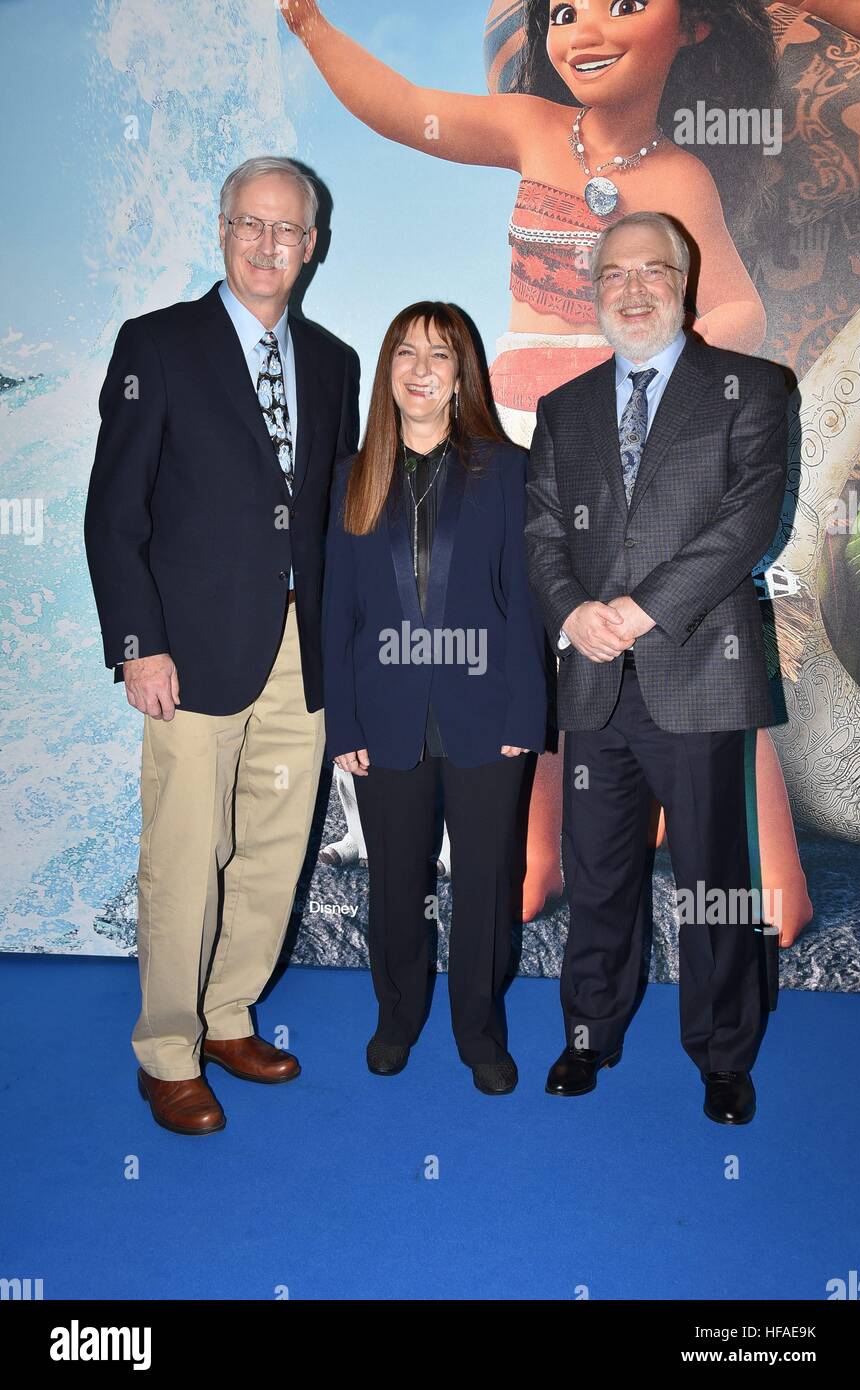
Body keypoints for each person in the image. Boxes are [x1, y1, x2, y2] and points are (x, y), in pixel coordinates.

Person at [276, 0, 812, 941]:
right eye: (563, 11)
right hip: (512, 432)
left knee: (680, 639)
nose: (585, 30)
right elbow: (405, 106)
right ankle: (538, 851)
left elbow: (742, 317)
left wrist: (628, 358)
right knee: (521, 640)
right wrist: (313, 25)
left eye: (626, 5)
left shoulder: (682, 175)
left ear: (689, 31)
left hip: (612, 440)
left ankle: (769, 871)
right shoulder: (532, 129)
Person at [84, 156, 360, 1135]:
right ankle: (166, 1049)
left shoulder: (332, 361)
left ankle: (226, 1015)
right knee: (181, 853)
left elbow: (329, 517)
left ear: (311, 245)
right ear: (222, 228)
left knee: (274, 851)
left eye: (288, 230)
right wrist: (137, 644)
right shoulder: (155, 345)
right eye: (251, 224)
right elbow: (113, 515)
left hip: (300, 651)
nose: (268, 244)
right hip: (188, 653)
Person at [525, 211, 788, 1124]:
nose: (632, 290)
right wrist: (572, 612)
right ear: (593, 288)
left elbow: (746, 525)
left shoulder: (753, 389)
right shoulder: (562, 410)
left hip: (700, 672)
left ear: (684, 279)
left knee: (715, 876)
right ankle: (589, 1034)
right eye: (612, 274)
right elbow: (543, 533)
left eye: (653, 272)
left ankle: (723, 1055)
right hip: (597, 686)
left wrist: (642, 609)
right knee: (597, 872)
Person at [322, 302, 547, 1095]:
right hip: (384, 719)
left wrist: (526, 713)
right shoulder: (353, 476)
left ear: (462, 378)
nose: (421, 369)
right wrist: (341, 719)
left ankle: (479, 1031)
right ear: (388, 372)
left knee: (486, 880)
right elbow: (336, 611)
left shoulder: (504, 469)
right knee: (396, 883)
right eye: (406, 354)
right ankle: (397, 1015)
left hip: (485, 714)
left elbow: (525, 602)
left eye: (440, 356)